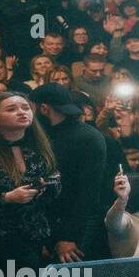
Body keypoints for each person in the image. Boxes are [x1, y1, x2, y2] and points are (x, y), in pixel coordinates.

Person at [28, 83, 106, 263]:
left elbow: (88, 193)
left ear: (44, 109)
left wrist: (69, 237)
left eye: (31, 108)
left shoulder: (88, 137)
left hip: (74, 225)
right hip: (41, 224)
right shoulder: (36, 134)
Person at [0, 91, 61, 277]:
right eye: (12, 109)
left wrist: (47, 187)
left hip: (36, 236)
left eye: (26, 108)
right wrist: (7, 198)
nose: (22, 112)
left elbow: (57, 184)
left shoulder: (39, 147)